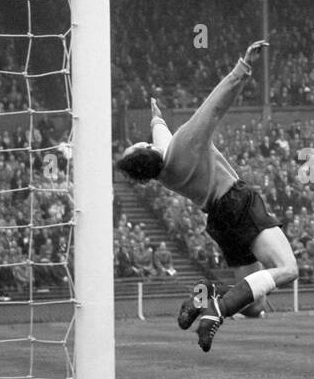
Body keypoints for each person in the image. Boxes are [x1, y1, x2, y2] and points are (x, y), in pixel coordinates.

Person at [116, 40, 297, 352]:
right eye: (139, 144)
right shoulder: (186, 144)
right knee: (288, 269)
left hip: (218, 220)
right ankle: (218, 310)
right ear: (147, 151)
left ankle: (205, 293)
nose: (143, 142)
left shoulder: (164, 171)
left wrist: (156, 119)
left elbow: (162, 140)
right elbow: (214, 106)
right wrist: (243, 66)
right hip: (238, 202)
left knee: (255, 305)